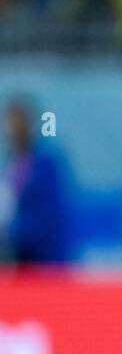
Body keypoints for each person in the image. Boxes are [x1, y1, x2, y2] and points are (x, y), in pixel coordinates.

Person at [3, 98, 74, 266]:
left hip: (46, 256)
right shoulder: (10, 162)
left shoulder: (45, 162)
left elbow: (47, 214)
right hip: (21, 256)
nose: (12, 129)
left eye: (17, 122)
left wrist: (12, 232)